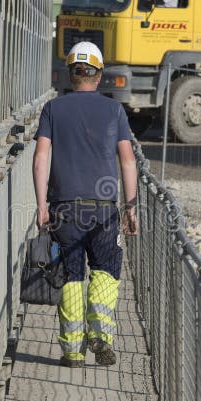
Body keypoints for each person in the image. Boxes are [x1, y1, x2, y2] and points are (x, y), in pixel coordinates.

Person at [33, 41, 139, 368]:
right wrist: (131, 207)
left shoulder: (53, 109)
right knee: (106, 269)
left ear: (71, 73)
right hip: (104, 209)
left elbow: (40, 158)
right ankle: (101, 334)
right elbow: (128, 161)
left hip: (64, 208)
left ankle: (73, 353)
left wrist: (41, 206)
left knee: (72, 274)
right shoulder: (114, 110)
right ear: (99, 74)